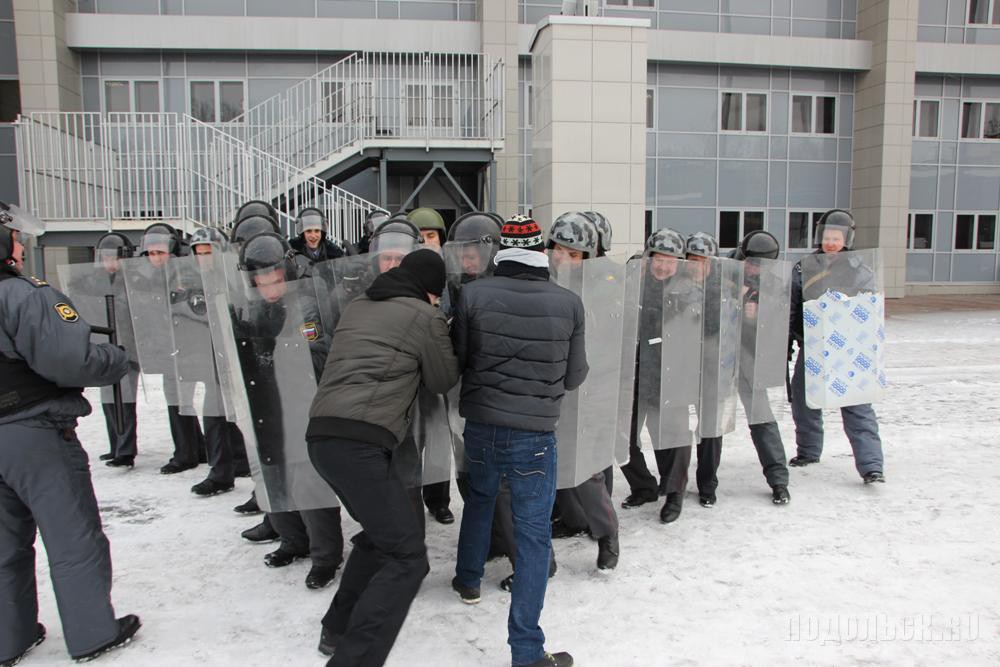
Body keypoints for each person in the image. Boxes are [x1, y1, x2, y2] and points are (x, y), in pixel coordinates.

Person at [0, 202, 141, 664]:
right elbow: (69, 360)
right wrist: (116, 359)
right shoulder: (25, 295)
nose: (21, 246)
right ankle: (92, 633)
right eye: (16, 239)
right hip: (33, 431)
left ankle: (10, 635)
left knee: (4, 544)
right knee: (72, 535)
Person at [306, 249, 459, 666]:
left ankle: (337, 628)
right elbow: (444, 378)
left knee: (381, 535)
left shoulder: (358, 305)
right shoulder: (424, 315)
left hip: (322, 437)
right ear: (431, 291)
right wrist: (446, 331)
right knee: (408, 556)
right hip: (362, 443)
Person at [451, 217, 586, 667]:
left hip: (483, 424)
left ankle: (468, 578)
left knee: (480, 499)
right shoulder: (568, 303)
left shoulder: (472, 295)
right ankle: (526, 652)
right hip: (534, 434)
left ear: (501, 253)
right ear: (540, 253)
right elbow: (575, 375)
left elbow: (460, 359)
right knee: (532, 537)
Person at [232, 232, 345, 590]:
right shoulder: (252, 305)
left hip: (305, 400)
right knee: (273, 474)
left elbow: (323, 352)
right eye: (261, 282)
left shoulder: (309, 301)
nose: (269, 289)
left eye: (275, 280)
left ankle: (326, 554)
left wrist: (287, 344)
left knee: (308, 479)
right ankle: (292, 539)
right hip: (268, 400)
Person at [788, 209, 885, 484]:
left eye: (836, 238)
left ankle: (871, 466)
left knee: (856, 407)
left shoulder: (859, 269)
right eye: (827, 237)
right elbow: (793, 305)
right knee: (804, 400)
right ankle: (808, 451)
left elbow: (868, 305)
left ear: (847, 238)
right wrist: (791, 336)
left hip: (849, 350)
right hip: (814, 345)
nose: (831, 242)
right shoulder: (804, 266)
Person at [545, 212, 620, 571]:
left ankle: (607, 535)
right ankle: (572, 518)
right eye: (559, 250)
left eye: (574, 254)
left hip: (590, 388)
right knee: (550, 464)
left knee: (588, 468)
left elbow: (608, 343)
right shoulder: (544, 282)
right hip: (549, 389)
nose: (564, 258)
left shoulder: (605, 287)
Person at [618, 228, 696, 522]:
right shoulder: (632, 284)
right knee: (623, 436)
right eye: (658, 259)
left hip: (670, 375)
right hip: (634, 373)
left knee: (672, 437)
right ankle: (643, 486)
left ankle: (674, 492)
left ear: (680, 263)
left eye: (670, 261)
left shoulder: (689, 291)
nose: (663, 266)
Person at [134, 223, 209, 474]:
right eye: (151, 254)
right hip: (166, 346)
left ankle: (193, 450)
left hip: (190, 345)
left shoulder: (185, 275)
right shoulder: (146, 278)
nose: (155, 258)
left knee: (188, 401)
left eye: (160, 253)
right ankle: (190, 449)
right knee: (176, 401)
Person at [184, 226, 249, 496]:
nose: (204, 259)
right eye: (199, 254)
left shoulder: (237, 279)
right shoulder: (194, 281)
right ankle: (221, 472)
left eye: (208, 253)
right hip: (212, 361)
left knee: (245, 420)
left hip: (240, 361)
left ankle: (247, 466)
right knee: (213, 416)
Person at [730, 230, 791, 504]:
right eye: (750, 262)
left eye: (760, 265)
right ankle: (695, 482)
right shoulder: (724, 272)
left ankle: (778, 478)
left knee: (761, 417)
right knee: (710, 421)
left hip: (748, 358)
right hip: (715, 356)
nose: (753, 268)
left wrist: (756, 316)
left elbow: (777, 324)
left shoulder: (775, 283)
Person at [406, 206, 456, 525]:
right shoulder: (405, 277)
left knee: (438, 440)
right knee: (409, 443)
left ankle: (438, 500)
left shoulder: (451, 275)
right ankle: (408, 501)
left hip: (440, 371)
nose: (427, 242)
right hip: (409, 375)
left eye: (432, 236)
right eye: (421, 237)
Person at [93, 231, 141, 468]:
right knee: (108, 397)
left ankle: (125, 449)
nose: (110, 263)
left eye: (115, 258)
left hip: (128, 347)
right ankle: (115, 444)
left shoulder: (134, 281)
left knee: (125, 397)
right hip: (106, 346)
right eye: (106, 258)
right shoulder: (97, 282)